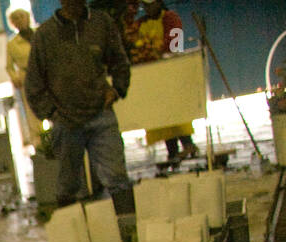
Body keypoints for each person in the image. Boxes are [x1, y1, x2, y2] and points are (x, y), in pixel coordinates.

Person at [24, 0, 136, 213]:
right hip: (66, 122)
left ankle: (128, 231)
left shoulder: (101, 23)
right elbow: (33, 83)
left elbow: (120, 61)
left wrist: (117, 89)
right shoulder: (45, 35)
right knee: (69, 187)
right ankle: (76, 239)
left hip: (101, 115)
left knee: (117, 177)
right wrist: (51, 113)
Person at [136, 0, 198, 163]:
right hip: (152, 78)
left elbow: (175, 45)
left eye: (151, 4)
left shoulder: (171, 18)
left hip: (170, 73)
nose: (148, 8)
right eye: (146, 5)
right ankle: (172, 152)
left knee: (176, 111)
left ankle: (188, 144)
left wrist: (150, 50)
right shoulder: (140, 23)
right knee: (161, 116)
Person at [6, 8, 38, 147]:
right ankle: (39, 143)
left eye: (22, 17)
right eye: (16, 19)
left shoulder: (39, 34)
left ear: (28, 17)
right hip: (27, 78)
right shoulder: (12, 44)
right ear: (13, 23)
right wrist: (14, 78)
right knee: (32, 112)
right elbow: (9, 66)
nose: (20, 21)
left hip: (44, 74)